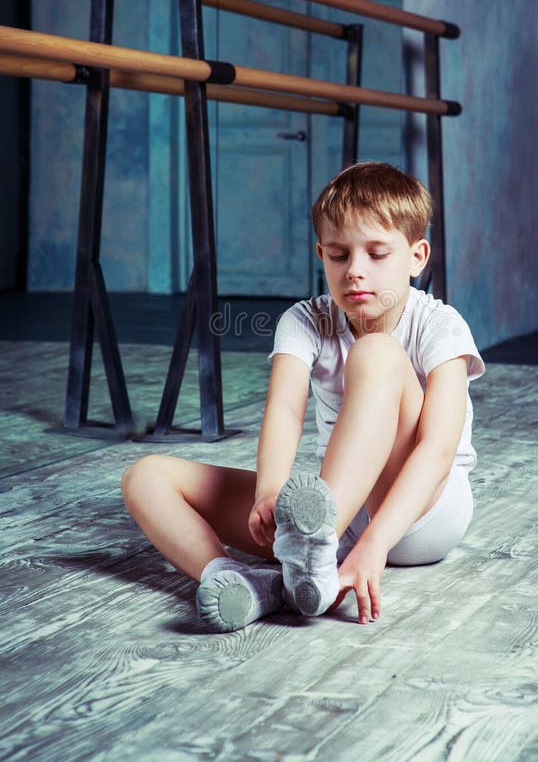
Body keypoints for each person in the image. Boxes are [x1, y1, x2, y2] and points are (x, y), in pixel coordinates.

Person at [121, 161, 484, 632]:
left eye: (377, 254)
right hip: (332, 517)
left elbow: (437, 452)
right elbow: (286, 411)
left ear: (417, 257)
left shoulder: (440, 325)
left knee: (377, 353)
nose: (355, 271)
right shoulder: (304, 320)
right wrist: (269, 495)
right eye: (338, 255)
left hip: (422, 515)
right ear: (320, 253)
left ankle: (312, 551)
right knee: (145, 477)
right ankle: (245, 580)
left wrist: (373, 544)